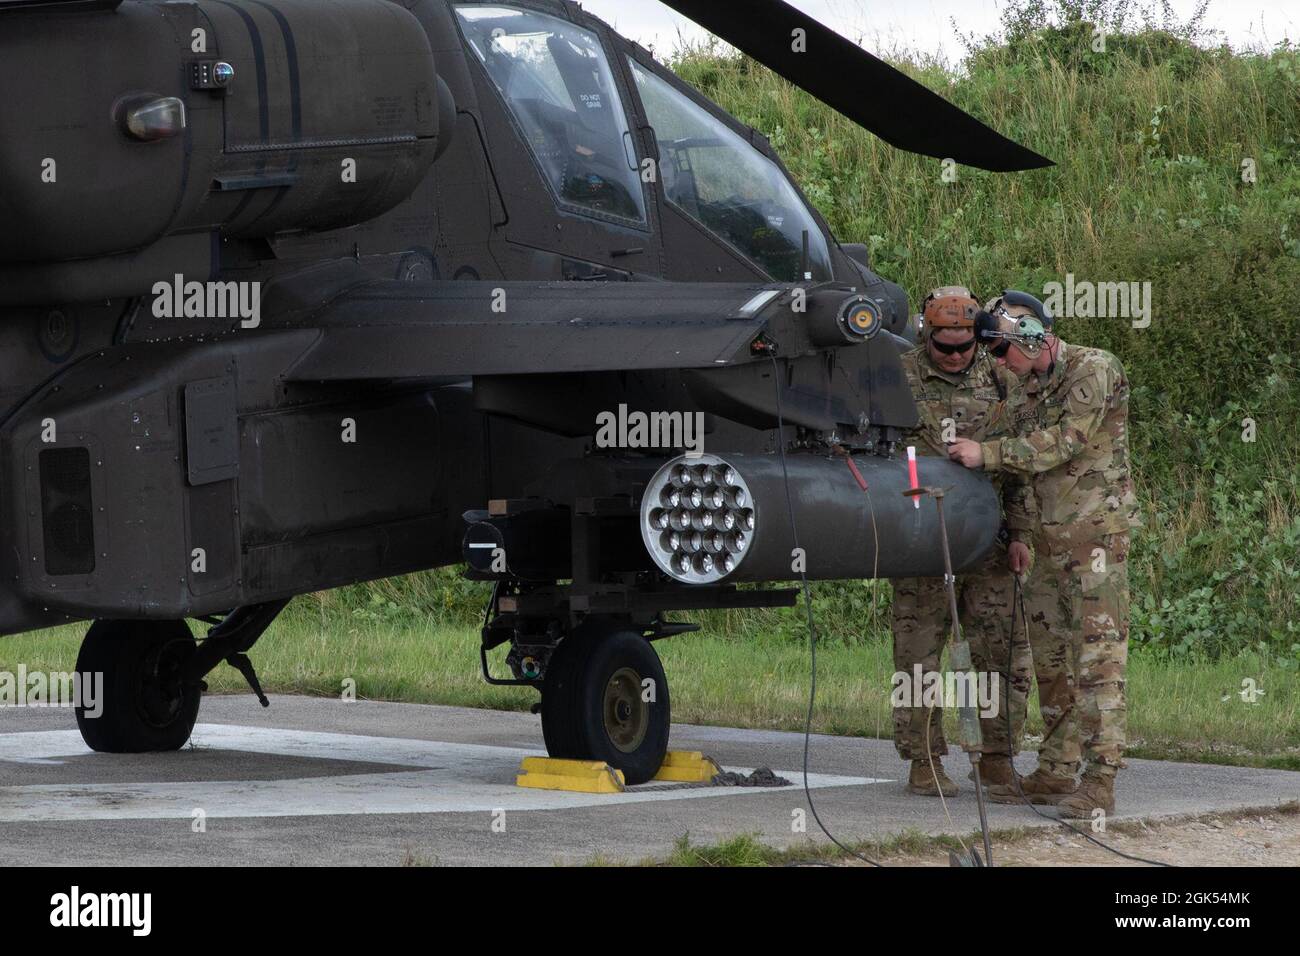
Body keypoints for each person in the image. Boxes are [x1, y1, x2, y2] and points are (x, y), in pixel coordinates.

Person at [947, 292, 1141, 817]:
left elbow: (1066, 442)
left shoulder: (1093, 368)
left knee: (1098, 660)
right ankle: (1057, 770)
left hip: (1094, 539)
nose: (997, 362)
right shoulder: (1026, 389)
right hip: (1048, 545)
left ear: (1029, 335)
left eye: (1001, 350)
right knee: (1053, 662)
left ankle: (1100, 780)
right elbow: (1011, 453)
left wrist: (984, 453)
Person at [891, 286, 1034, 797]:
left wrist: (1020, 534)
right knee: (918, 653)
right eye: (943, 346)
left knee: (1000, 652)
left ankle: (996, 758)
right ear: (926, 335)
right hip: (921, 537)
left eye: (963, 346)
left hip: (988, 539)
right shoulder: (898, 376)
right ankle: (923, 760)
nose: (953, 355)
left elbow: (1020, 465)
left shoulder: (1001, 380)